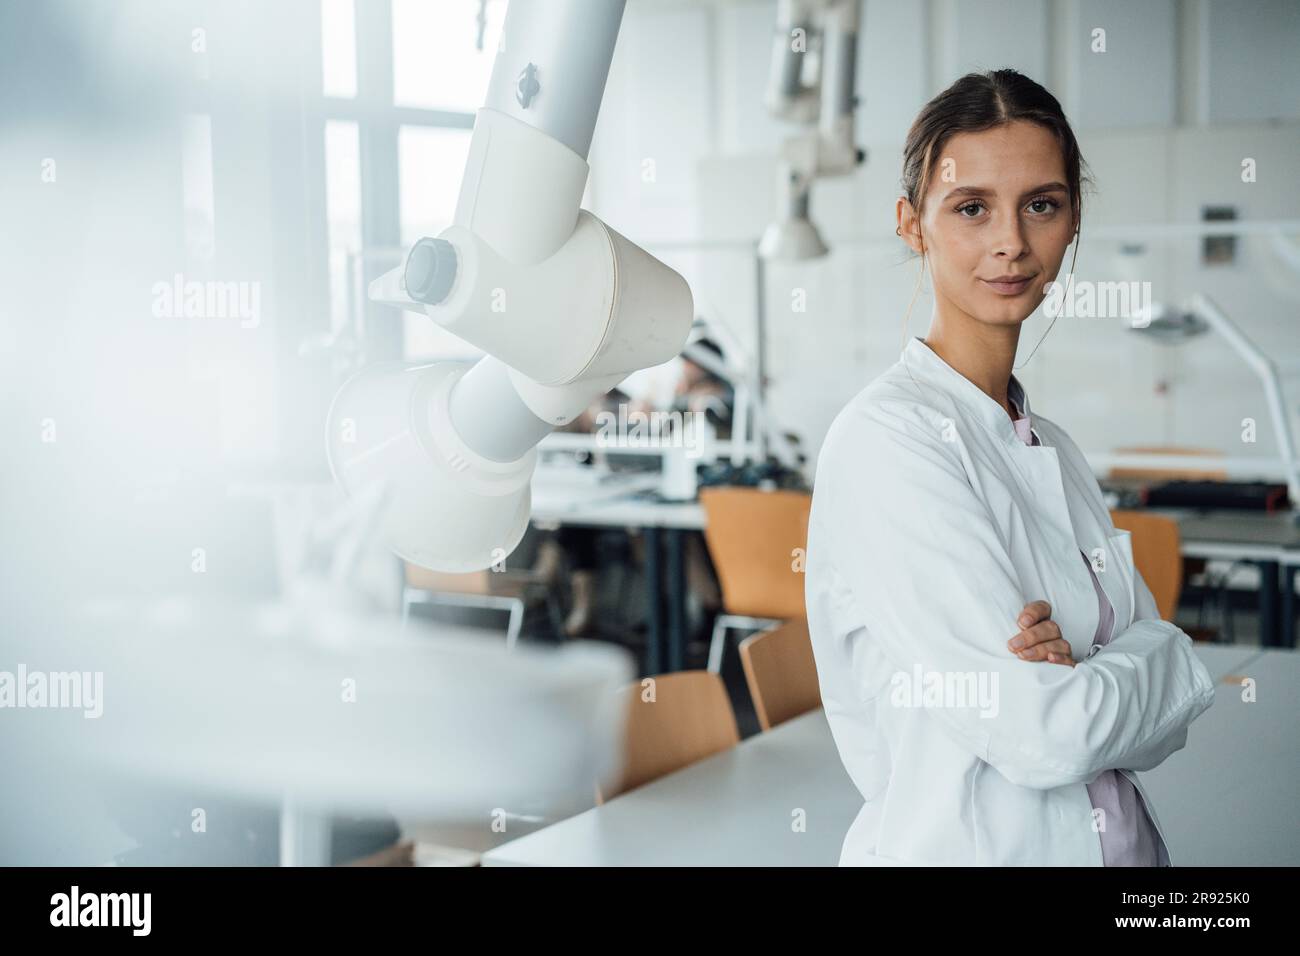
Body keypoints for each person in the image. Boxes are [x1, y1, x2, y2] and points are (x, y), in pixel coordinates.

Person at [804, 69, 1215, 866]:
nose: (1011, 243)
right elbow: (1043, 734)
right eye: (970, 208)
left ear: (1073, 220)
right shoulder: (885, 441)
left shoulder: (1051, 447)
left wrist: (1114, 664)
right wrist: (1157, 652)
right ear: (911, 225)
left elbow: (1164, 732)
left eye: (1042, 204)